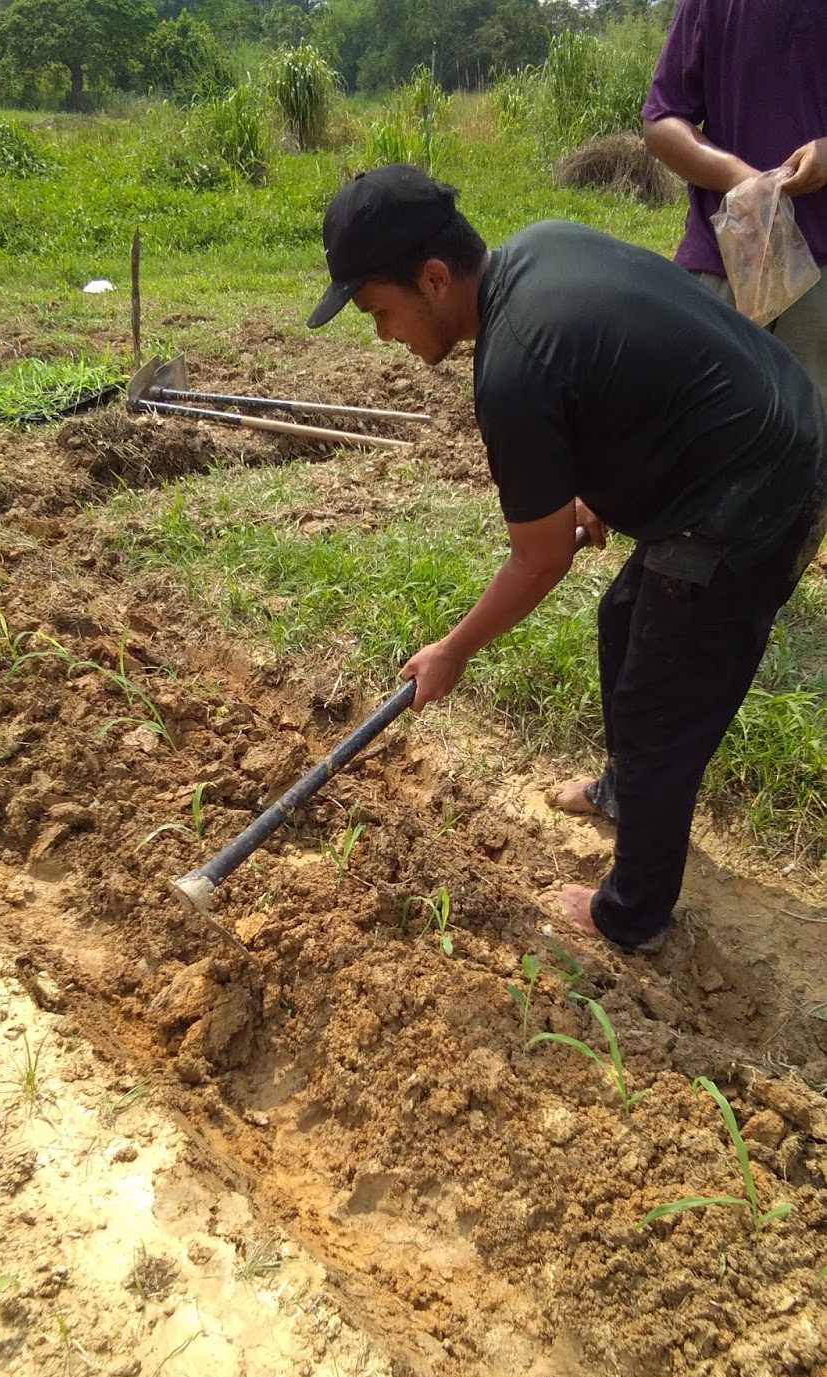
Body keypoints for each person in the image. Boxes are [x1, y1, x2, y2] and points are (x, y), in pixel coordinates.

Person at [306, 165, 826, 953]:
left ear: (434, 279)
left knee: (663, 702)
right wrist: (598, 494)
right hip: (757, 427)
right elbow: (622, 386)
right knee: (625, 619)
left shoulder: (512, 364)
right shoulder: (538, 249)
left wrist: (452, 652)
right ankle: (624, 790)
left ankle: (633, 915)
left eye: (380, 312)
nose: (386, 336)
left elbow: (538, 561)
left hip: (759, 487)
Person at [642, 0, 827, 405]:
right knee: (714, 441)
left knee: (811, 449)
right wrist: (738, 177)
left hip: (818, 282)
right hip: (725, 266)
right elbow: (662, 122)